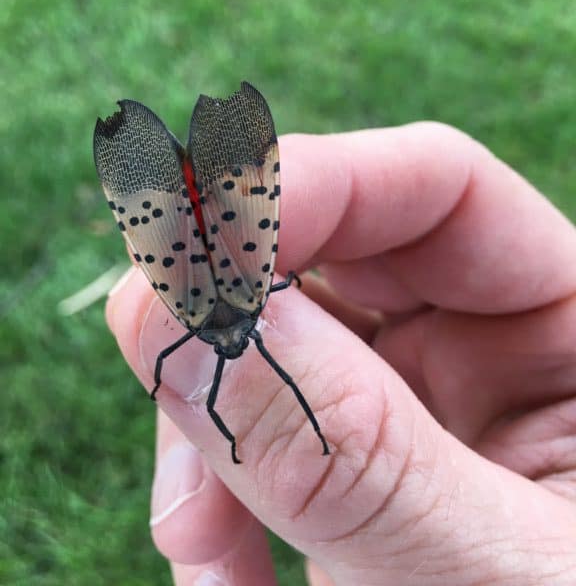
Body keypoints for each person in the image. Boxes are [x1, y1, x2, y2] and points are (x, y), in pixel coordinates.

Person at [106, 123, 576, 585]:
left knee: (248, 384)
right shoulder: (251, 297)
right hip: (232, 274)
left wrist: (169, 384)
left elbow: (180, 368)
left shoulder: (210, 311)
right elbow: (207, 380)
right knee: (261, 382)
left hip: (201, 271)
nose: (230, 349)